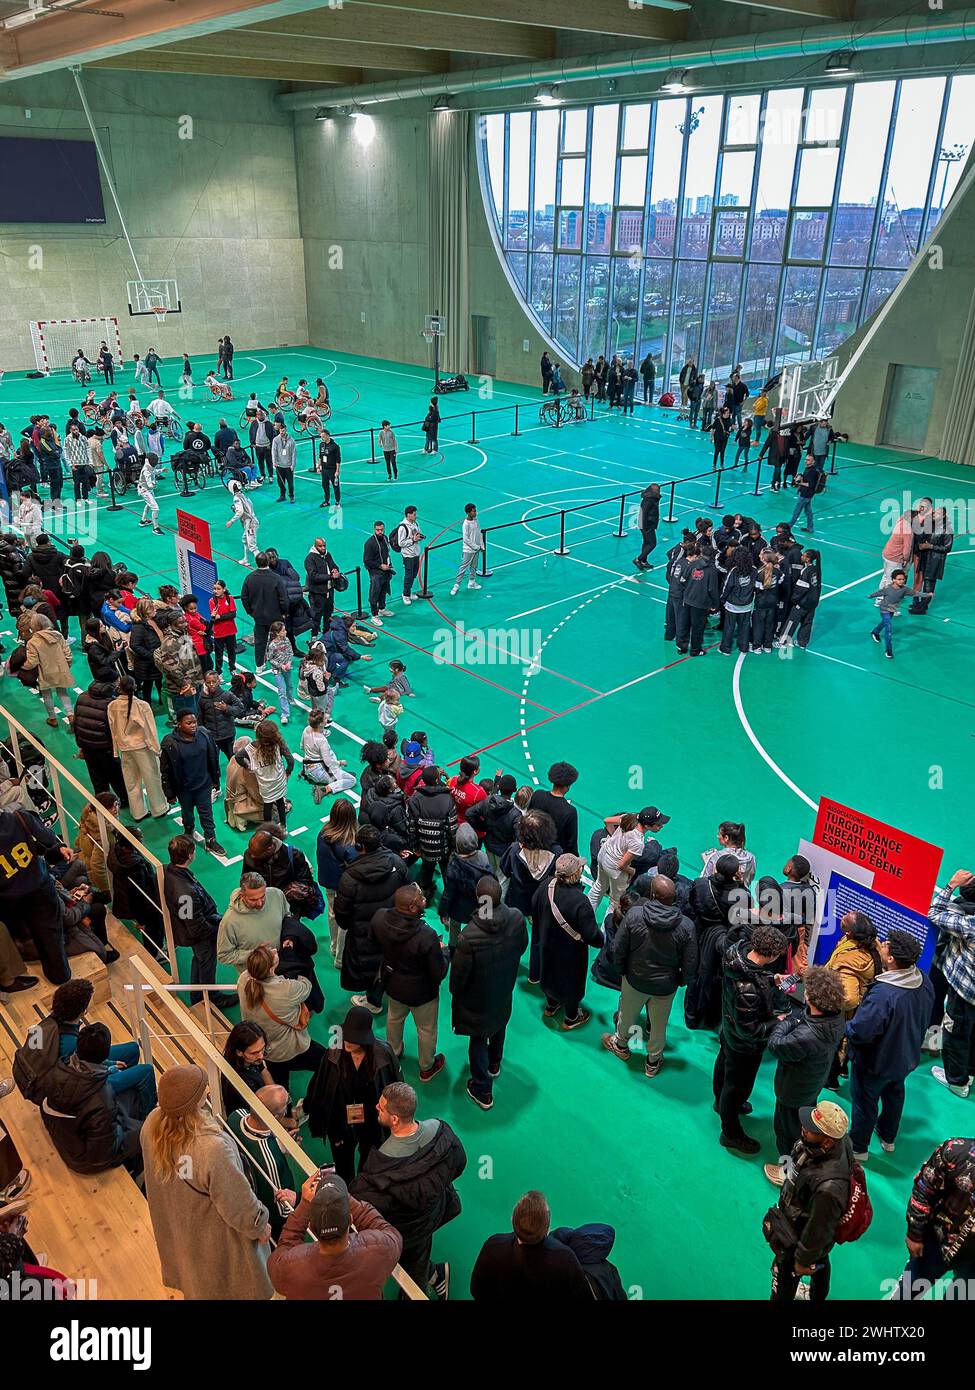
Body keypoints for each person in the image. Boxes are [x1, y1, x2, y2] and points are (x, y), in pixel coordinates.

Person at [141, 1065, 273, 1300]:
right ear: (198, 1101)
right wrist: (259, 1224)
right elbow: (237, 1203)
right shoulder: (211, 1148)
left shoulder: (152, 1125)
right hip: (218, 1246)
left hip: (184, 1234)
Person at [350, 1082, 466, 1298]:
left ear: (394, 1119)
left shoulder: (379, 1172)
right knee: (418, 1258)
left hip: (404, 1232)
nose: (376, 1106)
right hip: (434, 1213)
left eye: (381, 1107)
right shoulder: (442, 1133)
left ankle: (425, 1284)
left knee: (412, 1269)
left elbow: (362, 1207)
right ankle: (436, 1275)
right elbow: (460, 1163)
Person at [842, 929, 933, 1162]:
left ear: (891, 958)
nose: (881, 945)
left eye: (885, 945)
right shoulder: (923, 980)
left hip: (875, 1062)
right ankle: (887, 1136)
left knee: (864, 1102)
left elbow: (862, 1031)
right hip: (905, 1057)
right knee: (894, 1095)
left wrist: (844, 1028)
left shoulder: (884, 994)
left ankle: (859, 1147)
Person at [601, 874, 697, 1078]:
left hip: (634, 980)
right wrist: (680, 981)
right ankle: (653, 1061)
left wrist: (622, 971)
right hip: (665, 987)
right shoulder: (686, 926)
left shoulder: (634, 915)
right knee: (659, 1025)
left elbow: (619, 947)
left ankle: (620, 1045)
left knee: (626, 1016)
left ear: (652, 895)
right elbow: (690, 963)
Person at [763, 966, 847, 1186]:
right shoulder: (836, 1018)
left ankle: (787, 1172)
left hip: (792, 1089)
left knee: (786, 1132)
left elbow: (776, 1045)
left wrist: (786, 1022)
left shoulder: (806, 1035)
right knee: (801, 1127)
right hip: (812, 1083)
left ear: (812, 999)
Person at [269, 1166, 403, 1301]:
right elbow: (390, 1233)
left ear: (312, 1228)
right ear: (350, 1220)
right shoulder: (378, 1249)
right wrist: (346, 1199)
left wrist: (304, 1205)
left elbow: (286, 1245)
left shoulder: (291, 1267)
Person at [450, 877, 527, 1110]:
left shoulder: (468, 937)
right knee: (499, 1025)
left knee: (478, 1039)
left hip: (476, 1000)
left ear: (478, 898)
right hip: (503, 988)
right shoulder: (516, 918)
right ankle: (494, 1065)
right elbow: (522, 947)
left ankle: (482, 1089)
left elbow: (457, 981)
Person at [767, 1100, 853, 1302]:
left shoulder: (829, 1188)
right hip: (810, 1226)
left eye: (812, 1129)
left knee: (782, 1286)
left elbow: (818, 1228)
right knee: (821, 1259)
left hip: (798, 1237)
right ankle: (817, 1296)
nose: (804, 1128)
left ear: (828, 1141)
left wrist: (802, 1259)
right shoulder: (840, 1141)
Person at [713, 923, 788, 1155]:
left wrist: (769, 979)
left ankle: (721, 1103)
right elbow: (751, 1030)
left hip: (729, 1029)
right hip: (744, 1044)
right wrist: (779, 1021)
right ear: (772, 954)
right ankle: (731, 1133)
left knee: (724, 1069)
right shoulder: (748, 989)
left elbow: (753, 978)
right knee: (736, 1087)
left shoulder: (737, 954)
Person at [305, 1005, 402, 1179]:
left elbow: (397, 1087)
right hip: (340, 1119)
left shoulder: (384, 1055)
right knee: (343, 1165)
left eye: (354, 1038)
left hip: (372, 1119)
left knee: (369, 1160)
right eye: (346, 1036)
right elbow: (320, 1085)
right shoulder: (333, 1053)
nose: (348, 1042)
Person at [41, 1023, 146, 1175]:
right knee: (152, 1131)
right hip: (86, 1160)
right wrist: (120, 1124)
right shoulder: (101, 1097)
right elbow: (101, 1153)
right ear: (105, 1056)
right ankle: (135, 1171)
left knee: (131, 1099)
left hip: (67, 1130)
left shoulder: (59, 1066)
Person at [470, 1190, 611, 1301]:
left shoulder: (494, 1246)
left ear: (512, 1218)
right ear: (548, 1227)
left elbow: (476, 1290)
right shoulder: (565, 1258)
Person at [372, 883, 448, 1081]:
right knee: (426, 1030)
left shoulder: (380, 917)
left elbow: (374, 941)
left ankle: (393, 1053)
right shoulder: (427, 936)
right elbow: (438, 972)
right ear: (412, 908)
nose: (424, 899)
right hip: (422, 993)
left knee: (394, 1019)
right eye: (421, 898)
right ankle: (426, 1067)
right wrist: (444, 952)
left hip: (393, 984)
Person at [889, 1137, 975, 1300]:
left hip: (972, 1262)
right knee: (906, 1293)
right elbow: (924, 1191)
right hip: (935, 1241)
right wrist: (915, 1233)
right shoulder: (954, 1150)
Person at [337, 824, 410, 1012]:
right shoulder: (397, 862)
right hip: (394, 927)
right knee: (390, 962)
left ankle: (373, 1001)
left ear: (359, 847)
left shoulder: (349, 877)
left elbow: (342, 916)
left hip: (365, 934)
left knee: (370, 968)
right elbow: (408, 892)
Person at [238, 944, 325, 1086]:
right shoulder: (287, 989)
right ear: (272, 968)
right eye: (272, 953)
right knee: (326, 1061)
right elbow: (306, 985)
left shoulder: (244, 979)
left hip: (266, 1050)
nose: (275, 950)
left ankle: (286, 1107)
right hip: (288, 1049)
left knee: (281, 1087)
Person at [535, 854, 602, 1030]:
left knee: (548, 972)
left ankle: (551, 1006)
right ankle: (571, 1017)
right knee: (572, 982)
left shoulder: (546, 886)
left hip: (547, 943)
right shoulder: (580, 901)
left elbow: (534, 906)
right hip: (571, 952)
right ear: (575, 875)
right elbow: (591, 934)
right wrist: (602, 940)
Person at [926, 868, 975, 1098]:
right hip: (956, 978)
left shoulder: (966, 922)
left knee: (953, 1029)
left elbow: (934, 913)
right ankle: (967, 1069)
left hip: (961, 987)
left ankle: (957, 1080)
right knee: (970, 1031)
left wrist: (950, 885)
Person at [159, 711, 225, 856]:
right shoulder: (170, 743)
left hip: (203, 785)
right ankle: (189, 830)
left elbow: (213, 758)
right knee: (187, 812)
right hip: (184, 788)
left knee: (206, 813)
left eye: (194, 722)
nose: (193, 725)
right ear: (179, 724)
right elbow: (165, 771)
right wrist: (169, 793)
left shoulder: (204, 735)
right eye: (188, 723)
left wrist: (215, 780)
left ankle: (210, 838)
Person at [107, 677, 168, 820]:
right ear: (134, 687)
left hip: (125, 749)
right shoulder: (142, 705)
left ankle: (138, 812)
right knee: (152, 779)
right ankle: (159, 809)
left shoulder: (112, 706)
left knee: (131, 781)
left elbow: (112, 729)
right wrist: (156, 749)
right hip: (143, 747)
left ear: (119, 688)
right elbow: (150, 729)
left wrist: (116, 750)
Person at [317, 799, 359, 964]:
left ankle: (334, 947)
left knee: (333, 915)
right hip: (344, 887)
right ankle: (341, 958)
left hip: (329, 884)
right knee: (345, 922)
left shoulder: (323, 833)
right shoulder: (348, 844)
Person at [407, 766, 458, 899]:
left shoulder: (415, 798)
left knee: (426, 869)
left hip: (424, 847)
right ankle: (448, 901)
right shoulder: (448, 799)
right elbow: (452, 829)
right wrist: (453, 848)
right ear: (437, 780)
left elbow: (411, 826)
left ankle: (424, 895)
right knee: (447, 874)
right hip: (444, 849)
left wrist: (415, 846)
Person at [440, 824, 494, 949]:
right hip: (479, 907)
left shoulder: (453, 866)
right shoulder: (483, 857)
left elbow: (448, 894)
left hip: (458, 908)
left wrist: (443, 912)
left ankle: (453, 949)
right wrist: (487, 912)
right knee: (478, 931)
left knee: (454, 928)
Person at [21, 612, 74, 728]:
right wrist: (67, 666)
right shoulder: (57, 635)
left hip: (44, 672)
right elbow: (68, 654)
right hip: (61, 669)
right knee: (63, 692)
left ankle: (52, 718)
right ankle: (70, 715)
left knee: (46, 695)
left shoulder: (32, 642)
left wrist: (22, 666)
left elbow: (32, 662)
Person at [240, 553, 288, 670]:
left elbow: (244, 597)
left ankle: (259, 666)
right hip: (275, 616)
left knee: (260, 642)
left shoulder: (250, 577)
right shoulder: (276, 578)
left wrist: (250, 611)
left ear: (257, 563)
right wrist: (284, 612)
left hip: (259, 616)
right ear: (268, 562)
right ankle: (278, 664)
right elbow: (283, 598)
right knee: (278, 641)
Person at [675, 546, 719, 658]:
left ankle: (681, 647)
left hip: (687, 599)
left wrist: (688, 591)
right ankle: (695, 650)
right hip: (701, 603)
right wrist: (715, 604)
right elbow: (712, 589)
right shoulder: (712, 570)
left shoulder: (692, 564)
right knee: (698, 627)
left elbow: (682, 580)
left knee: (684, 623)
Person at [529, 761, 579, 857]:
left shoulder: (537, 795)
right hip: (552, 855)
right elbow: (571, 844)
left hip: (532, 846)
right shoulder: (569, 811)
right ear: (568, 786)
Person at [910, 505, 953, 614]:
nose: (934, 514)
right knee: (925, 582)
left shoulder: (947, 529)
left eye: (937, 513)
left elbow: (947, 548)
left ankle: (923, 607)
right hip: (925, 557)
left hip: (934, 561)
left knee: (929, 584)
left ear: (943, 515)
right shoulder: (930, 524)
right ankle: (922, 604)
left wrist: (931, 546)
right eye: (934, 512)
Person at [775, 549, 821, 650]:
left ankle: (782, 641)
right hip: (813, 603)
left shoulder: (806, 571)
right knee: (807, 622)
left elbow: (801, 588)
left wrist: (794, 599)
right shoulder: (816, 569)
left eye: (803, 556)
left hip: (803, 603)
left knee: (791, 621)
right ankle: (802, 642)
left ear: (808, 559)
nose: (801, 557)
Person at [868, 568, 909, 661]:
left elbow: (914, 593)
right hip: (884, 609)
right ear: (894, 579)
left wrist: (926, 595)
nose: (902, 581)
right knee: (888, 630)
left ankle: (875, 632)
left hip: (891, 609)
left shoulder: (903, 589)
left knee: (885, 622)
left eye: (903, 579)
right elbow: (879, 592)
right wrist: (871, 596)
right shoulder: (888, 589)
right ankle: (888, 650)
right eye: (899, 579)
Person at [363, 520, 395, 628]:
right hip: (375, 572)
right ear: (374, 530)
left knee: (384, 590)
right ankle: (374, 615)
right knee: (374, 593)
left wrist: (389, 566)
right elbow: (367, 561)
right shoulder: (370, 543)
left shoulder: (385, 539)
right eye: (377, 530)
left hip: (386, 571)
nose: (380, 532)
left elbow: (387, 554)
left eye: (381, 530)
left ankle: (382, 609)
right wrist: (380, 566)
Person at [450, 503, 483, 596]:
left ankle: (471, 582)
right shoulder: (466, 524)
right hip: (468, 550)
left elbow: (479, 533)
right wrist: (476, 547)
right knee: (463, 567)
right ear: (468, 513)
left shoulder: (476, 520)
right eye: (473, 511)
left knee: (474, 566)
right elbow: (466, 539)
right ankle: (456, 585)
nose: (475, 512)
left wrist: (482, 545)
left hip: (476, 549)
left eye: (475, 510)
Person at [395, 506, 424, 605]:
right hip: (408, 555)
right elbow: (400, 543)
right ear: (408, 515)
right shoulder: (403, 527)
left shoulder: (415, 524)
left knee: (414, 574)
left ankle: (409, 591)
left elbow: (417, 533)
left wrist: (419, 537)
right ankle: (405, 594)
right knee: (409, 575)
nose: (416, 516)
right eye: (414, 514)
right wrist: (413, 540)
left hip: (416, 553)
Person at [790, 455, 824, 533]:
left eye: (808, 460)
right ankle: (810, 527)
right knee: (808, 512)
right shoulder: (811, 469)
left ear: (813, 461)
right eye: (806, 459)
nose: (806, 461)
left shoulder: (812, 472)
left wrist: (800, 482)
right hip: (808, 494)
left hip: (805, 494)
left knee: (797, 511)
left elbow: (810, 484)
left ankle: (789, 526)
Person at [633, 484, 660, 571]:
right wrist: (644, 526)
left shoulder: (652, 497)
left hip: (648, 523)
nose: (659, 491)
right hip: (647, 524)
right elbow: (644, 513)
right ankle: (639, 559)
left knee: (647, 542)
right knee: (652, 543)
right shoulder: (649, 499)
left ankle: (643, 561)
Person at [272, 422, 296, 502]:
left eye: (283, 431)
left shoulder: (291, 440)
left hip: (288, 466)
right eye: (281, 431)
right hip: (279, 465)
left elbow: (293, 454)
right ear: (279, 431)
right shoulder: (276, 440)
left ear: (286, 430)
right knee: (280, 483)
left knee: (290, 483)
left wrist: (293, 465)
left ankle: (291, 495)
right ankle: (282, 495)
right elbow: (274, 452)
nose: (282, 433)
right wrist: (274, 462)